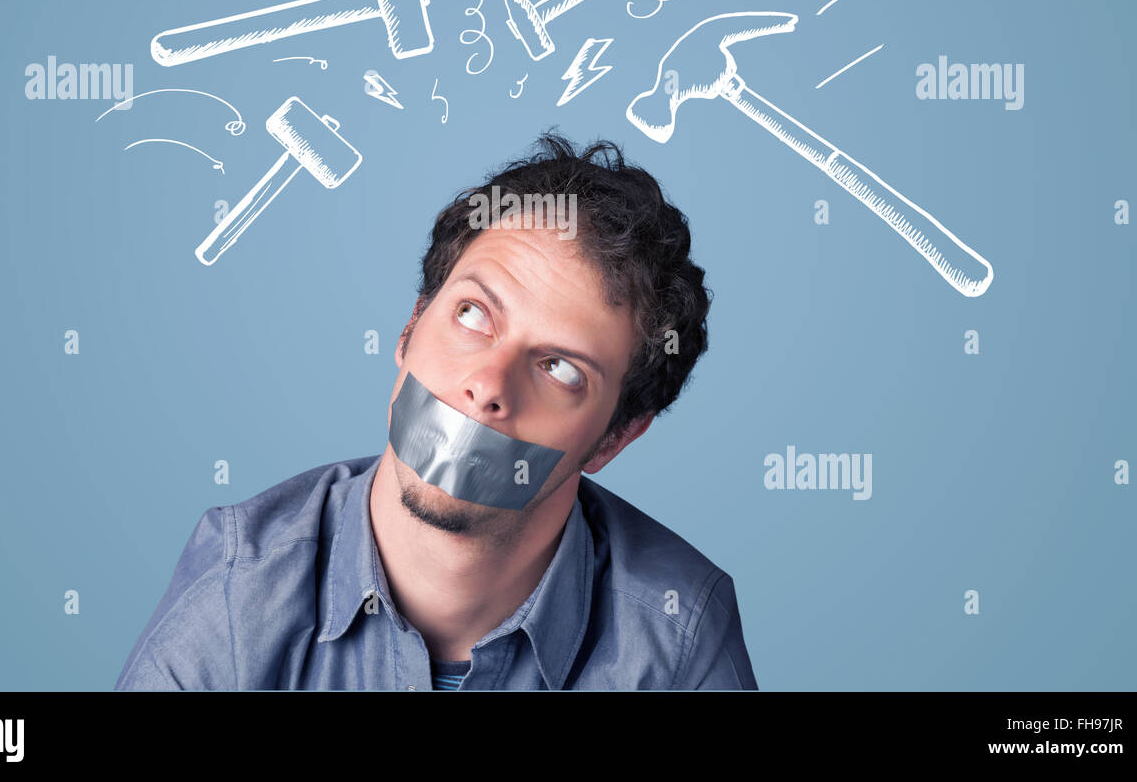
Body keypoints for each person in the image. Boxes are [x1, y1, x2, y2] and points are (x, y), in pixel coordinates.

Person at [114, 132, 757, 690]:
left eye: (560, 369)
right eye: (472, 315)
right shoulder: (239, 587)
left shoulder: (677, 635)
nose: (486, 386)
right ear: (410, 326)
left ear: (612, 439)